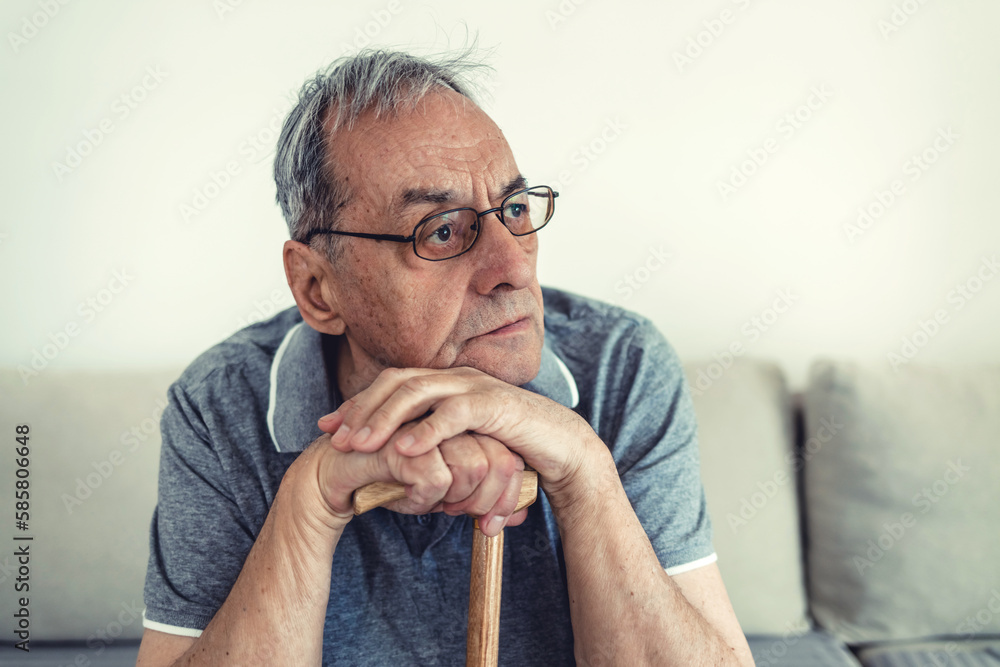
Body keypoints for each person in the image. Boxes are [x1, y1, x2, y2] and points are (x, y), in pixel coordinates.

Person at [136, 49, 754, 666]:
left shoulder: (624, 365)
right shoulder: (220, 405)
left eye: (514, 210)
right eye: (440, 229)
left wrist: (584, 469)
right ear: (318, 290)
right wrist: (311, 501)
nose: (512, 267)